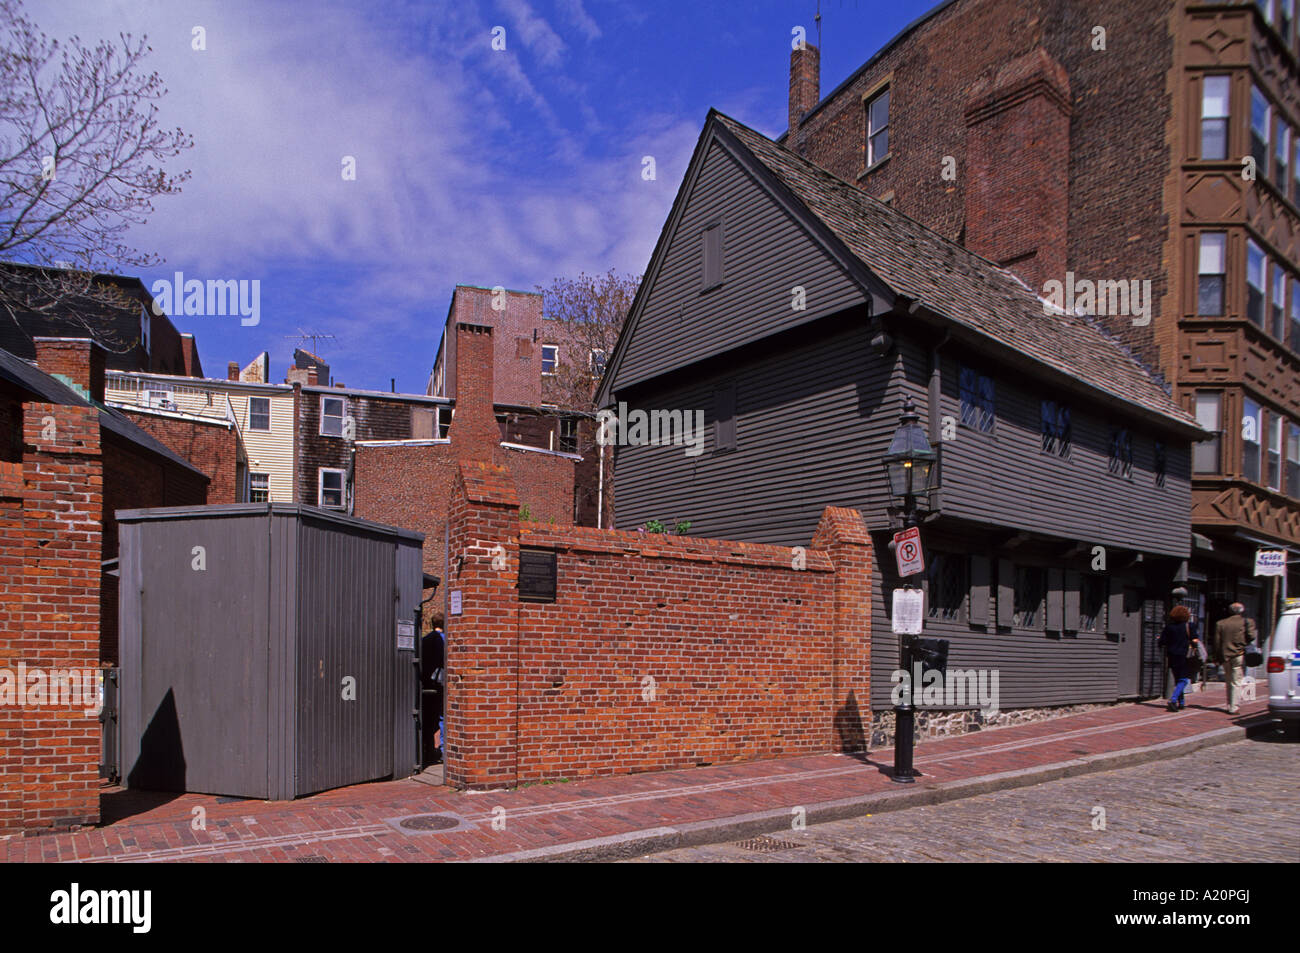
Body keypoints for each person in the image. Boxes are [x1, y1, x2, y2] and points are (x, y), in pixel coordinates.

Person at [1213, 603, 1257, 715]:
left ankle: (1230, 704)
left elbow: (1217, 642)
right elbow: (1252, 636)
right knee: (1236, 681)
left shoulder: (1221, 623)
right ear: (1241, 611)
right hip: (1238, 654)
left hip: (1224, 655)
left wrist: (1216, 657)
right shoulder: (1247, 622)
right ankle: (1234, 707)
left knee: (1228, 680)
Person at [1157, 605, 1200, 712]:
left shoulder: (1169, 627)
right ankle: (1173, 699)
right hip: (1184, 655)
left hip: (1171, 655)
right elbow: (1194, 640)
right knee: (1184, 679)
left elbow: (1162, 642)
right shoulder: (1189, 626)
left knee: (1178, 679)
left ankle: (1181, 702)